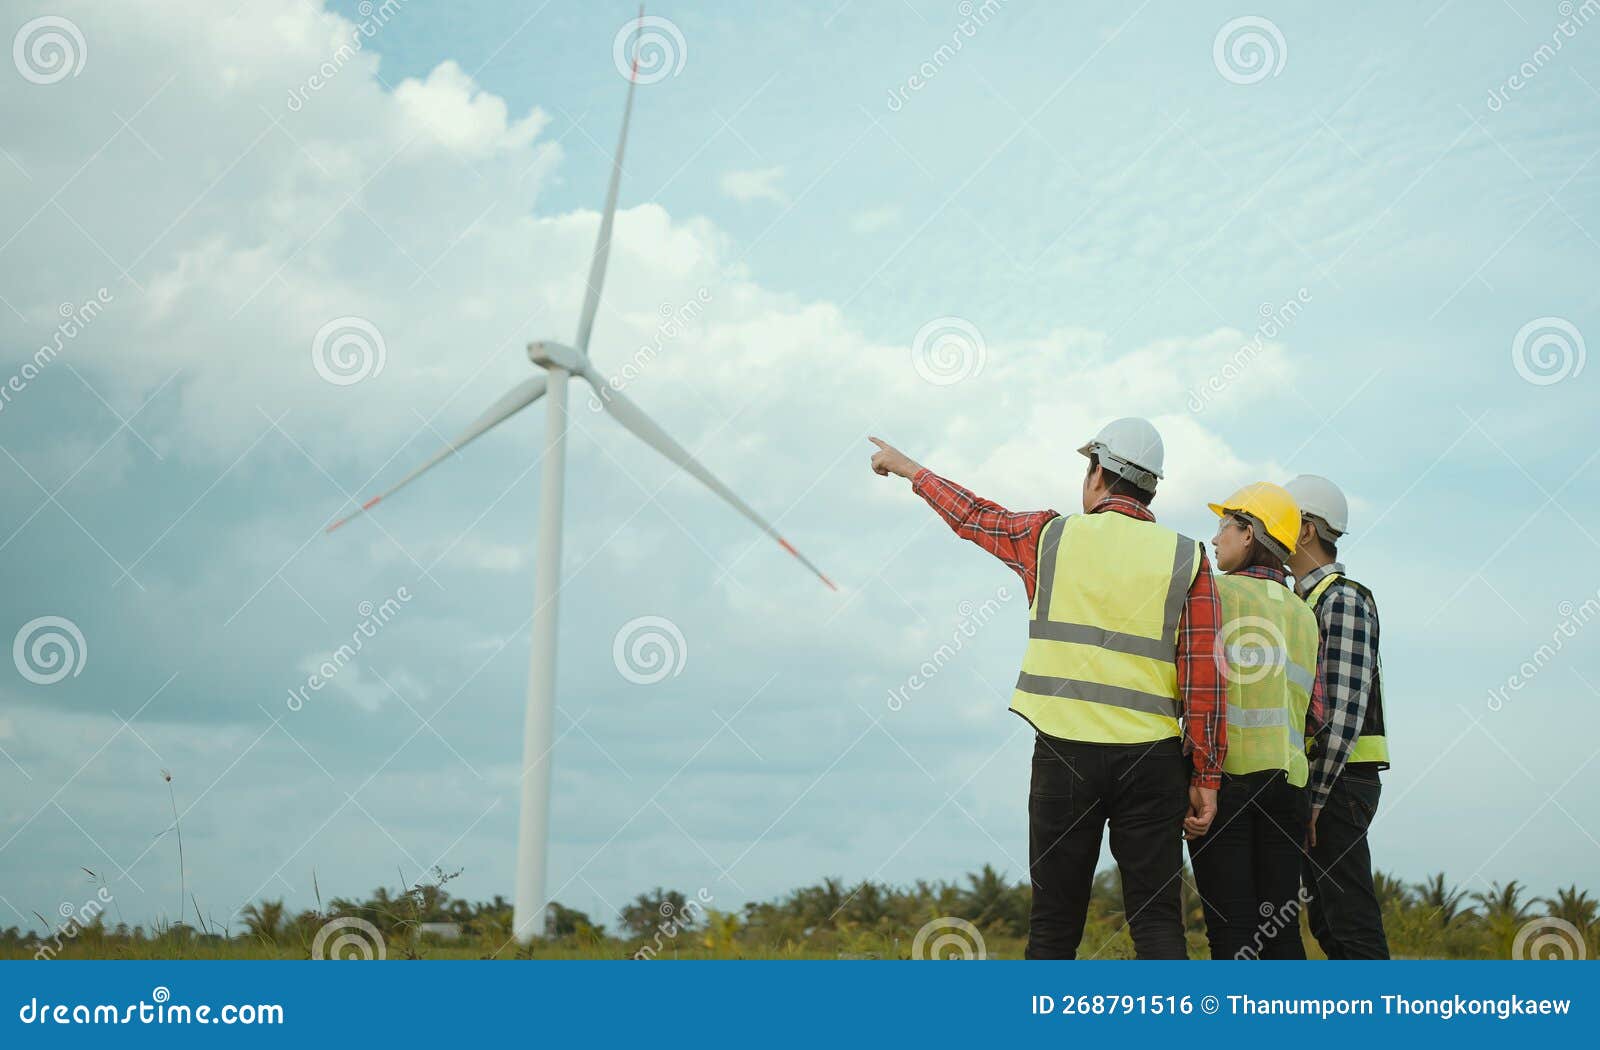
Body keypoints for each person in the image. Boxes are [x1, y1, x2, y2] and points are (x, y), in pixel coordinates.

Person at [868, 418, 1225, 960]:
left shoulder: (1049, 537)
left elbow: (974, 517)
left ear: (1099, 474)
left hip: (1065, 756)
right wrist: (1206, 775)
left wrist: (910, 469)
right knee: (1156, 923)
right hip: (1152, 761)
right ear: (1151, 486)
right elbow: (1205, 678)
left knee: (1054, 924)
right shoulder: (1188, 557)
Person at [1185, 484, 1322, 960]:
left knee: (1232, 931)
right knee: (1281, 933)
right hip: (1289, 787)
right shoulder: (1305, 614)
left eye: (1224, 526)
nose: (1217, 538)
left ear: (1248, 533)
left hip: (1226, 783)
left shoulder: (1215, 593)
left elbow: (1192, 683)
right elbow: (1315, 713)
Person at [1283, 474, 1391, 959]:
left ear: (1305, 529)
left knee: (1351, 928)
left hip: (1341, 782)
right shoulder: (1305, 600)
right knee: (1329, 924)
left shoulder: (1340, 598)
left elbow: (1342, 714)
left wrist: (1316, 800)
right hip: (1327, 780)